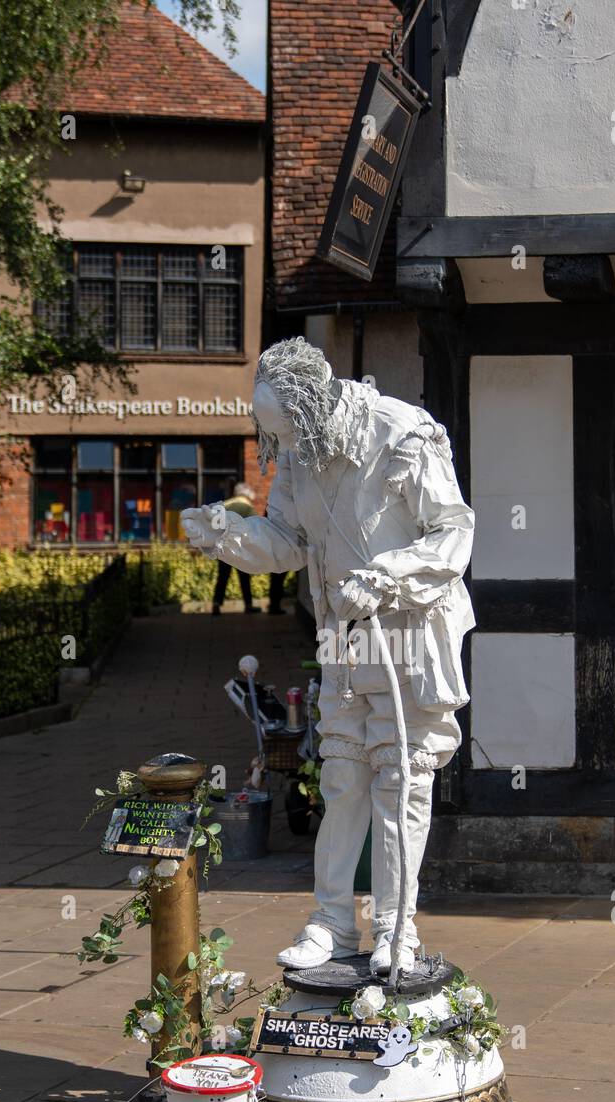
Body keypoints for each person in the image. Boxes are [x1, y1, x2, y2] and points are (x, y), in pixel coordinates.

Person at [181, 338, 474, 976]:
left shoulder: (402, 433)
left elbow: (454, 532)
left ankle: (398, 928)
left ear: (314, 406)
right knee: (341, 778)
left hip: (410, 629)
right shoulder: (298, 452)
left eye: (291, 432)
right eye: (275, 435)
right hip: (347, 635)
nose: (288, 449)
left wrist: (390, 573)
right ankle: (333, 922)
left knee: (401, 781)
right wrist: (226, 536)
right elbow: (287, 540)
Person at [211, 482, 259, 614]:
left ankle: (216, 603)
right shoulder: (247, 506)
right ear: (246, 493)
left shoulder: (224, 504)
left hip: (223, 547)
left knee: (223, 576)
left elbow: (214, 525)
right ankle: (248, 605)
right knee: (244, 575)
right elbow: (255, 527)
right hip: (240, 548)